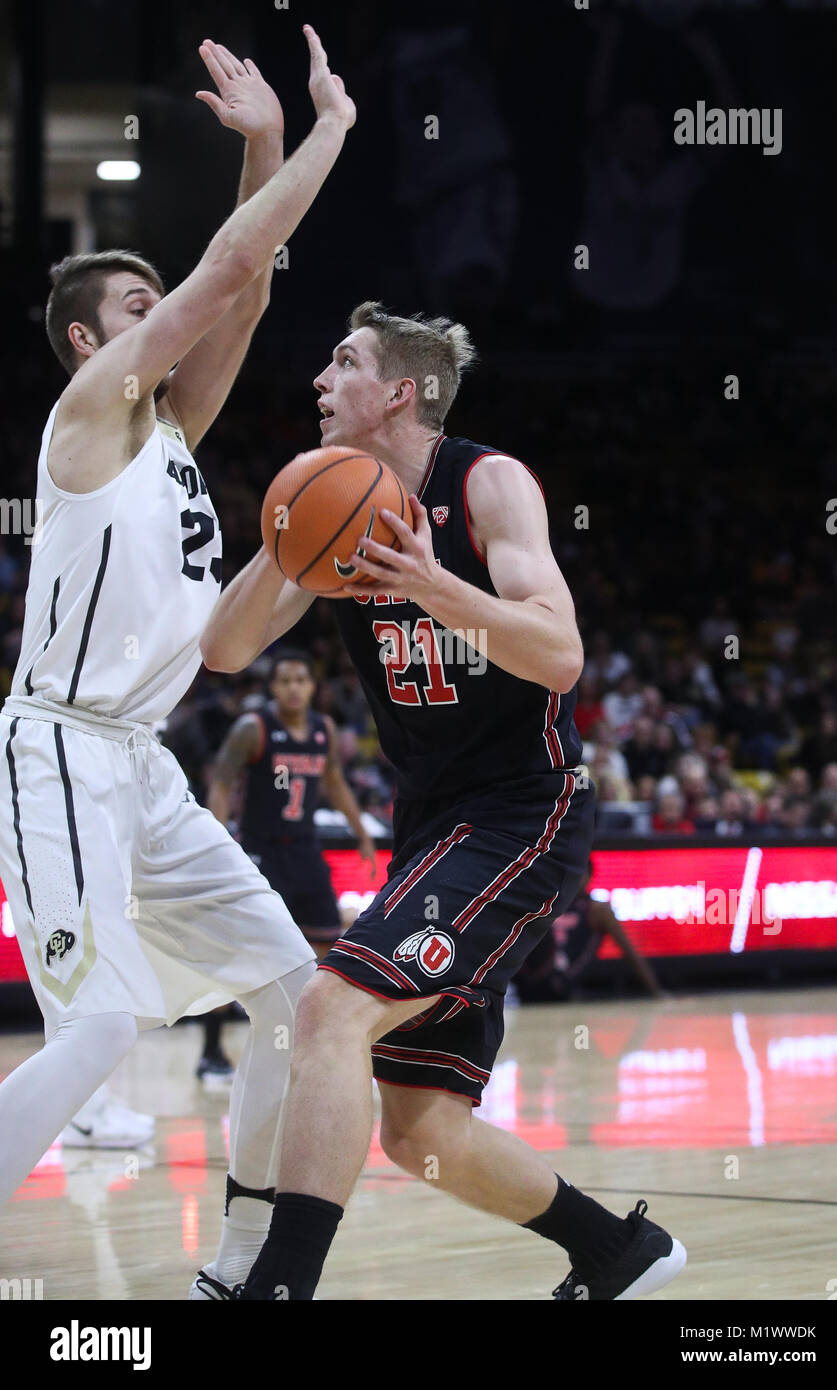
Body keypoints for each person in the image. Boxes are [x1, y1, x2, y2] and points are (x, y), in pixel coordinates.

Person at [202, 303, 687, 1300]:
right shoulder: (336, 500)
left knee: (332, 1007)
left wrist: (431, 584)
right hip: (434, 825)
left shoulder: (486, 482)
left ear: (400, 391)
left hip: (522, 806)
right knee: (418, 1131)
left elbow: (558, 652)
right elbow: (223, 649)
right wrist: (286, 529)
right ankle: (615, 1251)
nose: (318, 382)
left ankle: (278, 1286)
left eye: (342, 363)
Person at [0, 28, 356, 1301]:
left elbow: (245, 287)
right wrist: (321, 132)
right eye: (141, 307)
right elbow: (233, 261)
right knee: (97, 1027)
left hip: (139, 766)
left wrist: (259, 142)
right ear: (89, 343)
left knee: (292, 992)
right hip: (57, 746)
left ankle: (243, 1267)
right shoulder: (91, 413)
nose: (171, 313)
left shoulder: (172, 433)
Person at [198, 650, 377, 1081]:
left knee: (325, 951)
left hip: (305, 850)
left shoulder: (323, 730)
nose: (294, 687)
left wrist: (363, 833)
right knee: (238, 954)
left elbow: (333, 780)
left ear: (313, 687)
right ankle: (211, 1054)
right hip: (261, 852)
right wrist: (217, 841)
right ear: (273, 687)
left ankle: (311, 1051)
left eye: (302, 679)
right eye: (286, 680)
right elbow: (220, 781)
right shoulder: (254, 727)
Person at [516, 859, 664, 1003]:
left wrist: (655, 991)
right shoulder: (542, 903)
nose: (572, 877)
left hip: (561, 988)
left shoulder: (597, 910)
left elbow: (631, 954)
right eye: (567, 872)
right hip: (524, 985)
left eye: (578, 873)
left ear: (589, 877)